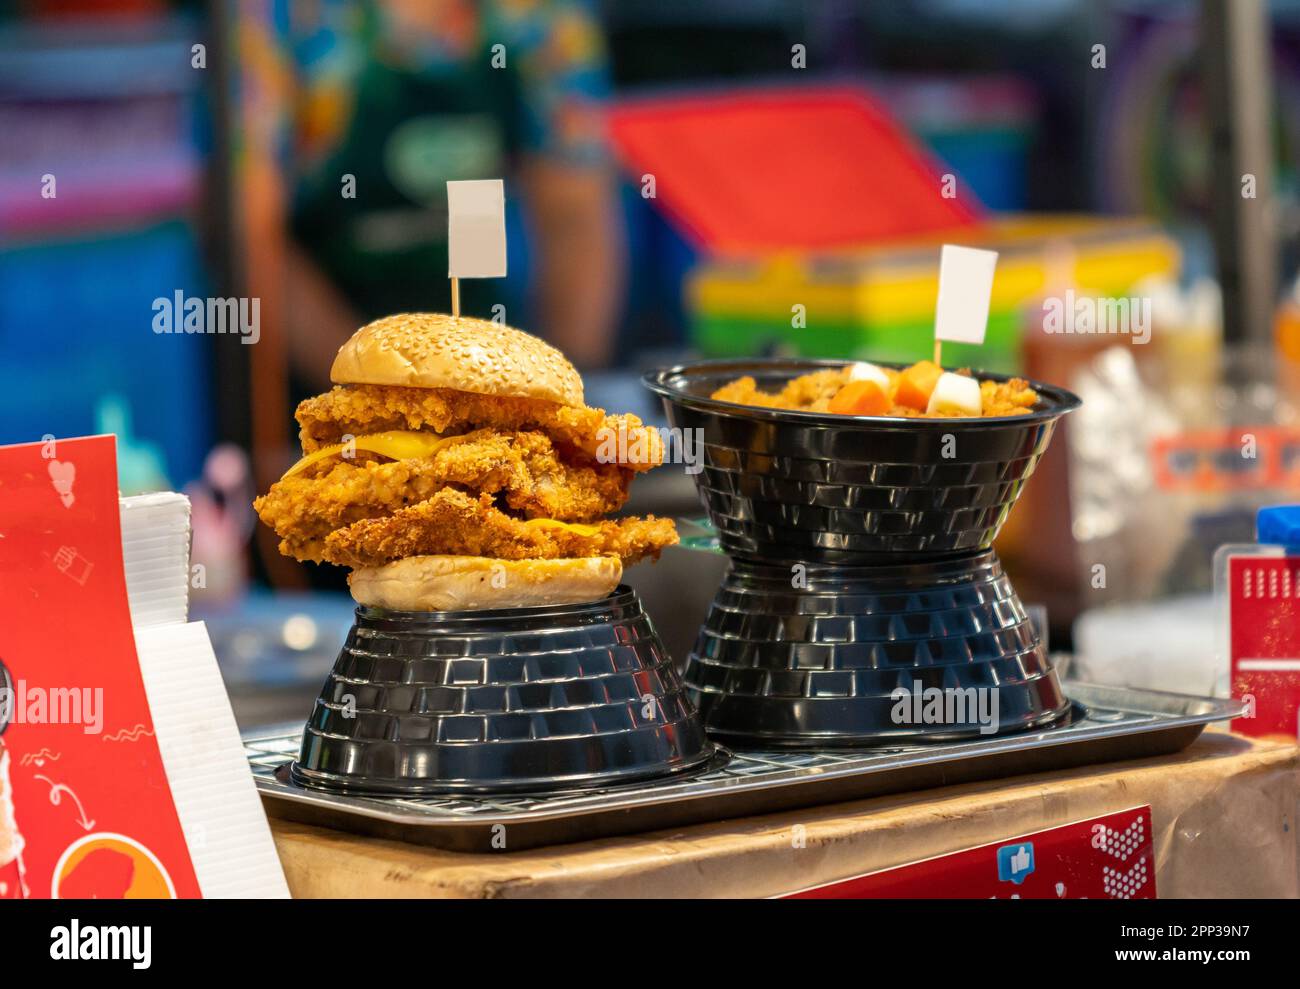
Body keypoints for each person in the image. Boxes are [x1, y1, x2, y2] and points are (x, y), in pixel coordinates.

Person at [242, 0, 625, 391]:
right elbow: (251, 239)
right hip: (321, 369)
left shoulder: (543, 18)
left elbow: (575, 220)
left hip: (484, 356)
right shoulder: (282, 20)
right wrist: (383, 397)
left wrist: (566, 397)